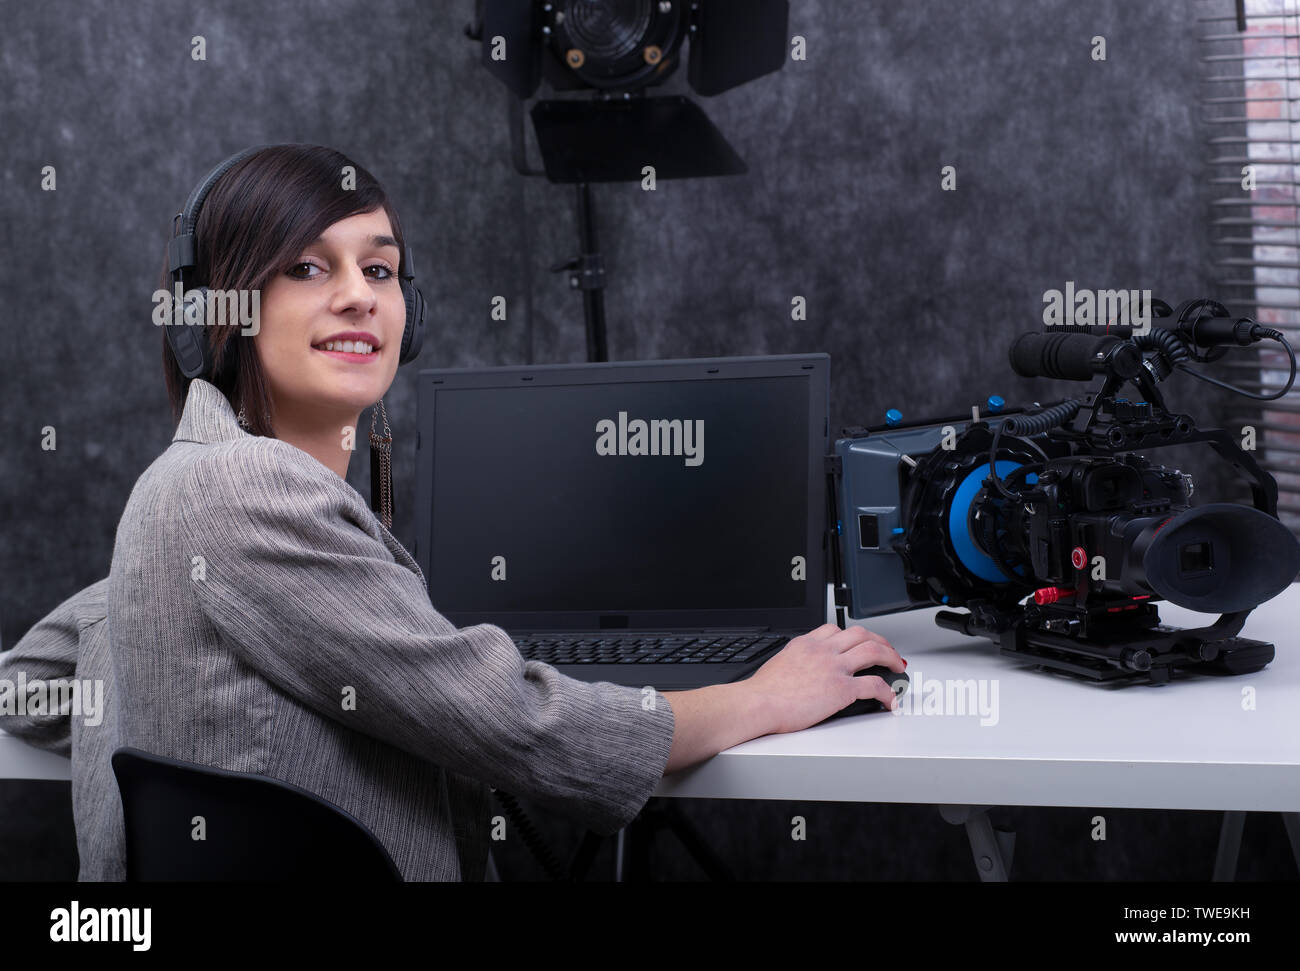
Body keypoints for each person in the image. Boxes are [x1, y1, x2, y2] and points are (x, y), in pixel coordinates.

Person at [0, 144, 905, 881]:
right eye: (309, 266)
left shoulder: (186, 499)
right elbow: (519, 724)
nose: (360, 292)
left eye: (381, 268)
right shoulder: (246, 492)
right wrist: (761, 695)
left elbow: (25, 682)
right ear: (216, 311)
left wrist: (149, 692)